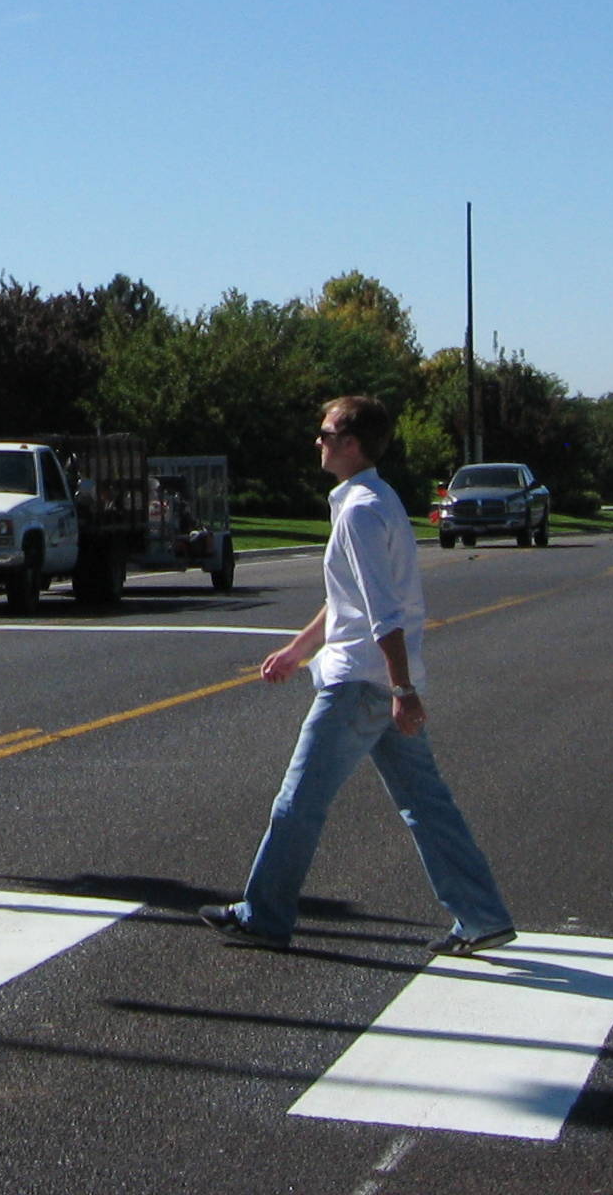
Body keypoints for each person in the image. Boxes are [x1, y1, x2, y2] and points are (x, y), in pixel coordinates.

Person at [199, 395, 515, 955]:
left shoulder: (361, 512)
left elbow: (383, 612)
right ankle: (482, 917)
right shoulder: (375, 500)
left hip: (360, 687)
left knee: (298, 802)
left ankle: (264, 915)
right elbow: (347, 598)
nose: (317, 442)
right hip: (377, 682)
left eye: (325, 434)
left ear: (351, 443)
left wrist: (402, 690)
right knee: (427, 805)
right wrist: (298, 650)